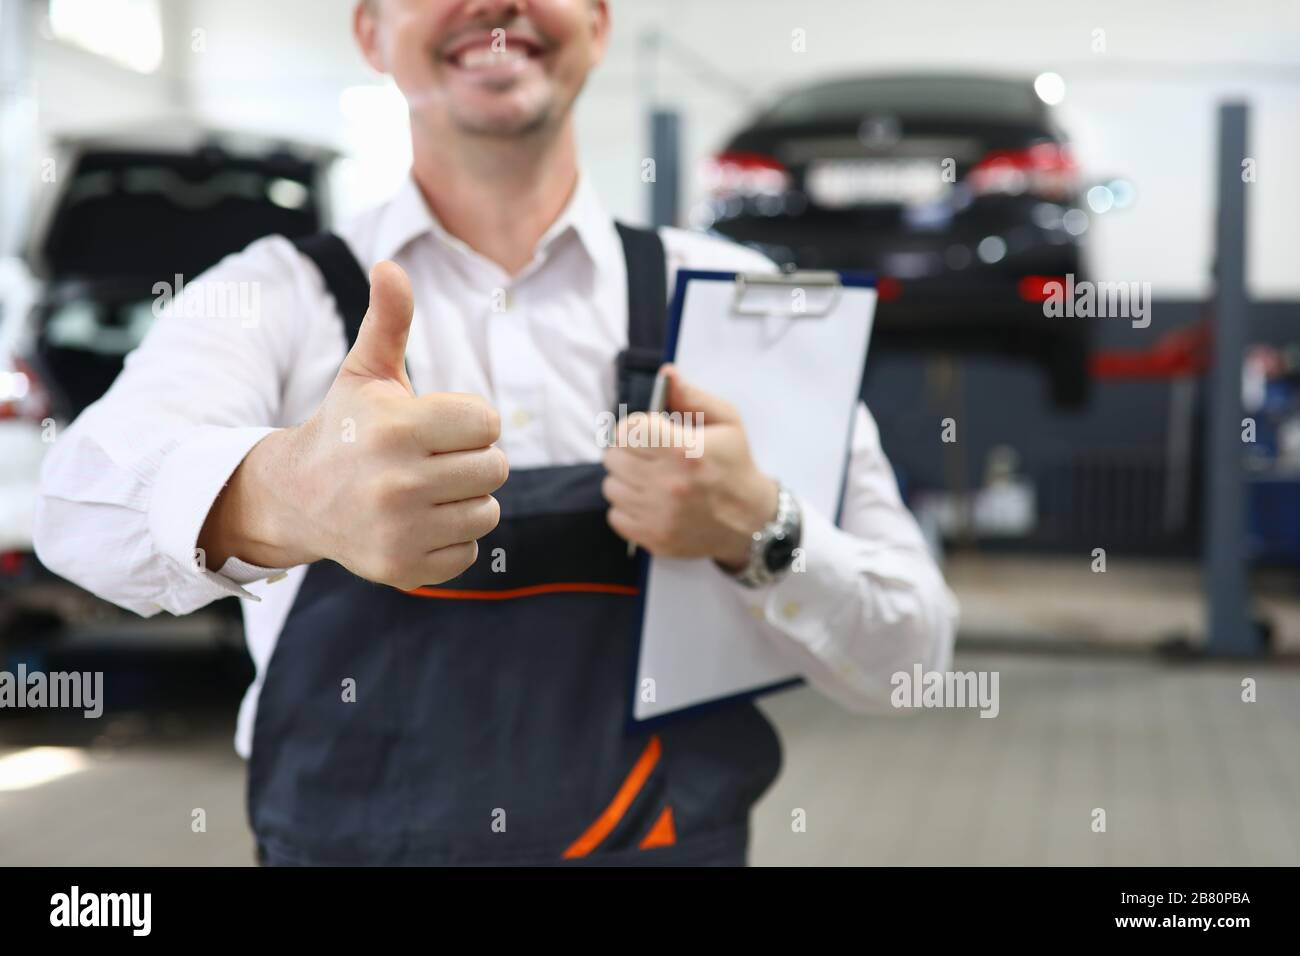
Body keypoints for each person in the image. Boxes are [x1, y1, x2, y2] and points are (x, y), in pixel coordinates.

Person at [34, 0, 957, 866]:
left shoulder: (745, 303)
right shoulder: (270, 294)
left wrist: (762, 530)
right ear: (369, 30)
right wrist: (284, 493)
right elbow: (77, 504)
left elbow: (913, 658)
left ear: (597, 22)